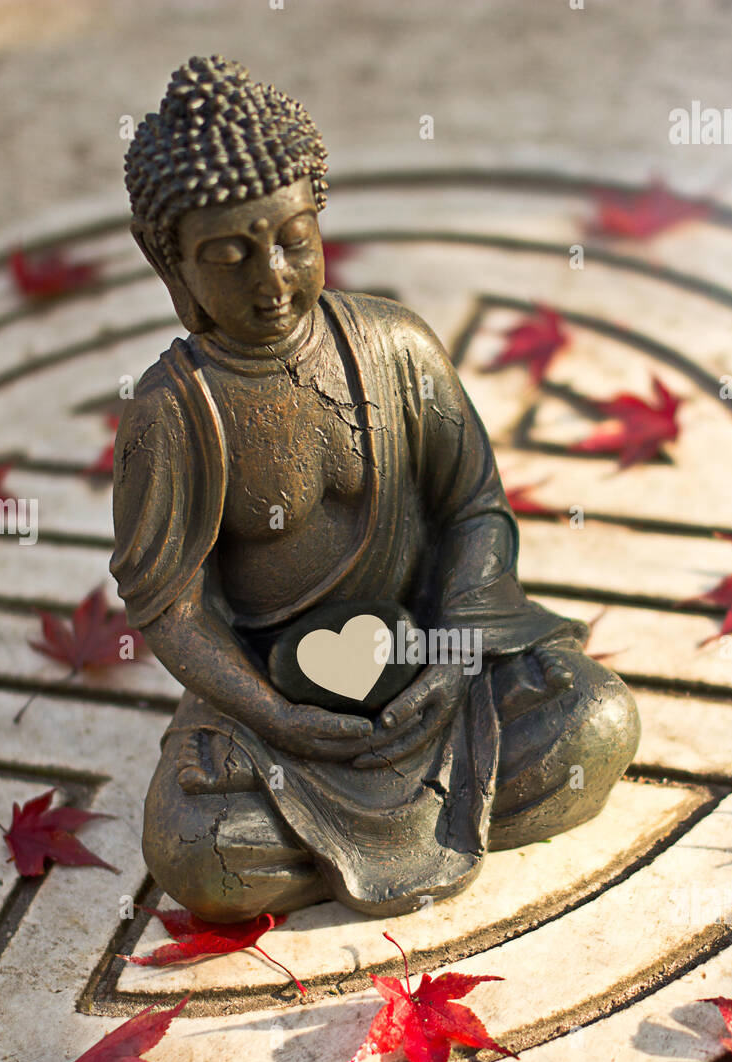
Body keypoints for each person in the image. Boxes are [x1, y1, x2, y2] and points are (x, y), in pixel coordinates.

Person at [111, 56, 640, 921]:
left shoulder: (395, 345)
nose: (272, 280)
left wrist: (455, 651)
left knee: (595, 718)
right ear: (168, 264)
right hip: (272, 710)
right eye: (230, 256)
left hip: (434, 664)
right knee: (196, 850)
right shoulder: (172, 412)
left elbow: (474, 507)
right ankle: (434, 813)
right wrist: (275, 719)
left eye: (292, 240)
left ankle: (407, 815)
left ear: (320, 218)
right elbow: (170, 608)